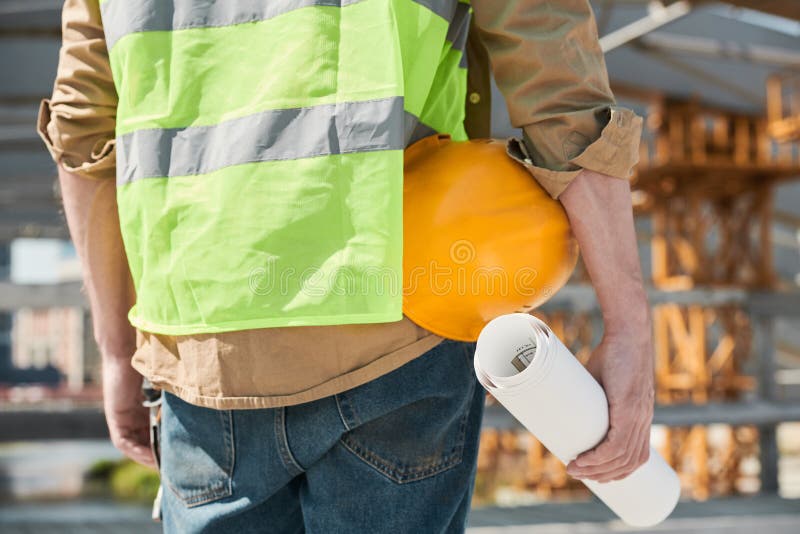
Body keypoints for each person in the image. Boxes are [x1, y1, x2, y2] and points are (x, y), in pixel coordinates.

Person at [38, 0, 653, 531]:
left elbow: (83, 131)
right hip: (393, 323)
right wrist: (627, 321)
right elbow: (556, 78)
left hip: (203, 345)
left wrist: (116, 353)